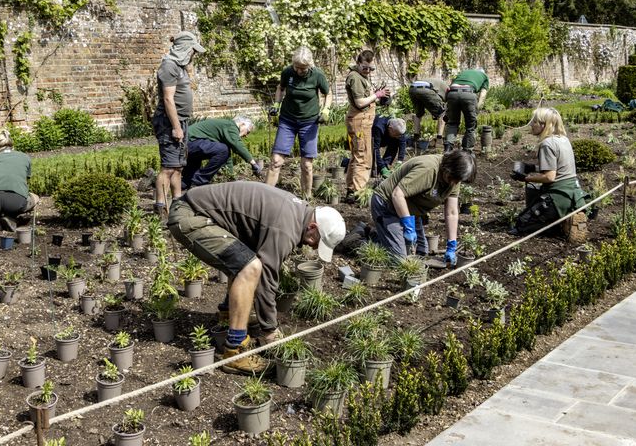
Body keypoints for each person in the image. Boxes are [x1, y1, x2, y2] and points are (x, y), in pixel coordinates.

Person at [167, 181, 346, 375]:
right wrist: (270, 330)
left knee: (243, 259)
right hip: (190, 215)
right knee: (251, 268)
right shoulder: (285, 228)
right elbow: (266, 280)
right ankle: (235, 351)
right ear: (312, 226)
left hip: (196, 209)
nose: (312, 247)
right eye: (316, 241)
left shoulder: (297, 212)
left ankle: (229, 318)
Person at [370, 150, 476, 263]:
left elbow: (452, 212)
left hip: (410, 210)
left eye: (458, 181)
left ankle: (387, 237)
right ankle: (366, 238)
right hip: (387, 205)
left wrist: (451, 244)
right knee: (399, 260)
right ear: (448, 168)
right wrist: (408, 227)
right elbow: (397, 194)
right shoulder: (428, 170)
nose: (455, 183)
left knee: (421, 252)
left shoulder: (454, 178)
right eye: (454, 179)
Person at [265, 46, 332, 198]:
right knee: (276, 161)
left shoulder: (317, 75)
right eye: (297, 67)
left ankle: (306, 198)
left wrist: (326, 110)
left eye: (303, 68)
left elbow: (328, 93)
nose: (299, 71)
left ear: (310, 65)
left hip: (309, 123)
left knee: (307, 165)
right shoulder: (288, 72)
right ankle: (264, 197)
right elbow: (280, 88)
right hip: (287, 120)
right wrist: (276, 104)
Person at [509, 107, 587, 236]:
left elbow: (550, 177)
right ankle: (559, 221)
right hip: (574, 194)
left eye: (534, 122)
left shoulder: (547, 144)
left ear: (543, 125)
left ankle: (556, 224)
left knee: (522, 223)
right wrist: (532, 168)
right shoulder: (563, 139)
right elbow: (559, 167)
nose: (531, 125)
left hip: (559, 196)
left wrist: (524, 178)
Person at [152, 31, 205, 218]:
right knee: (168, 167)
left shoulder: (179, 65)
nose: (193, 55)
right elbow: (168, 99)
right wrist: (175, 127)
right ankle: (161, 209)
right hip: (169, 123)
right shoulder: (169, 66)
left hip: (181, 120)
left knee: (178, 166)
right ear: (184, 48)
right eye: (192, 51)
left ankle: (177, 205)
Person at [344, 50, 390, 202]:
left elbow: (366, 98)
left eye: (371, 69)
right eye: (365, 68)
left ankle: (351, 191)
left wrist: (378, 96)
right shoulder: (355, 78)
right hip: (360, 121)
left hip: (362, 120)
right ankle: (358, 193)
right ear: (358, 64)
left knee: (357, 156)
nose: (368, 71)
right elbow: (360, 102)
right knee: (363, 158)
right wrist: (377, 95)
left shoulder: (360, 76)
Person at [181, 116, 263, 190]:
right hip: (191, 143)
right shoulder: (231, 126)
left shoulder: (226, 129)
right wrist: (253, 163)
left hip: (189, 144)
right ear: (242, 124)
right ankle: (200, 181)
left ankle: (182, 186)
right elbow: (237, 145)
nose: (246, 135)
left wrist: (231, 177)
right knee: (223, 149)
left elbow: (227, 157)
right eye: (247, 132)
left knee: (186, 182)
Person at [443, 68, 489, 153]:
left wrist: (447, 102)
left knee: (452, 123)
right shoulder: (484, 76)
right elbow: (483, 95)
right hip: (468, 93)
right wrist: (477, 108)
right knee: (470, 126)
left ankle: (448, 149)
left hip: (452, 93)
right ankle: (467, 151)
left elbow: (448, 89)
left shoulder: (463, 73)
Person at [408, 77, 447, 148]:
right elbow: (443, 103)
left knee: (418, 113)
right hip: (426, 89)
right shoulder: (447, 89)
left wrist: (434, 112)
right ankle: (439, 140)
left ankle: (416, 138)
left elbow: (431, 102)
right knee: (443, 113)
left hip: (412, 88)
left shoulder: (436, 82)